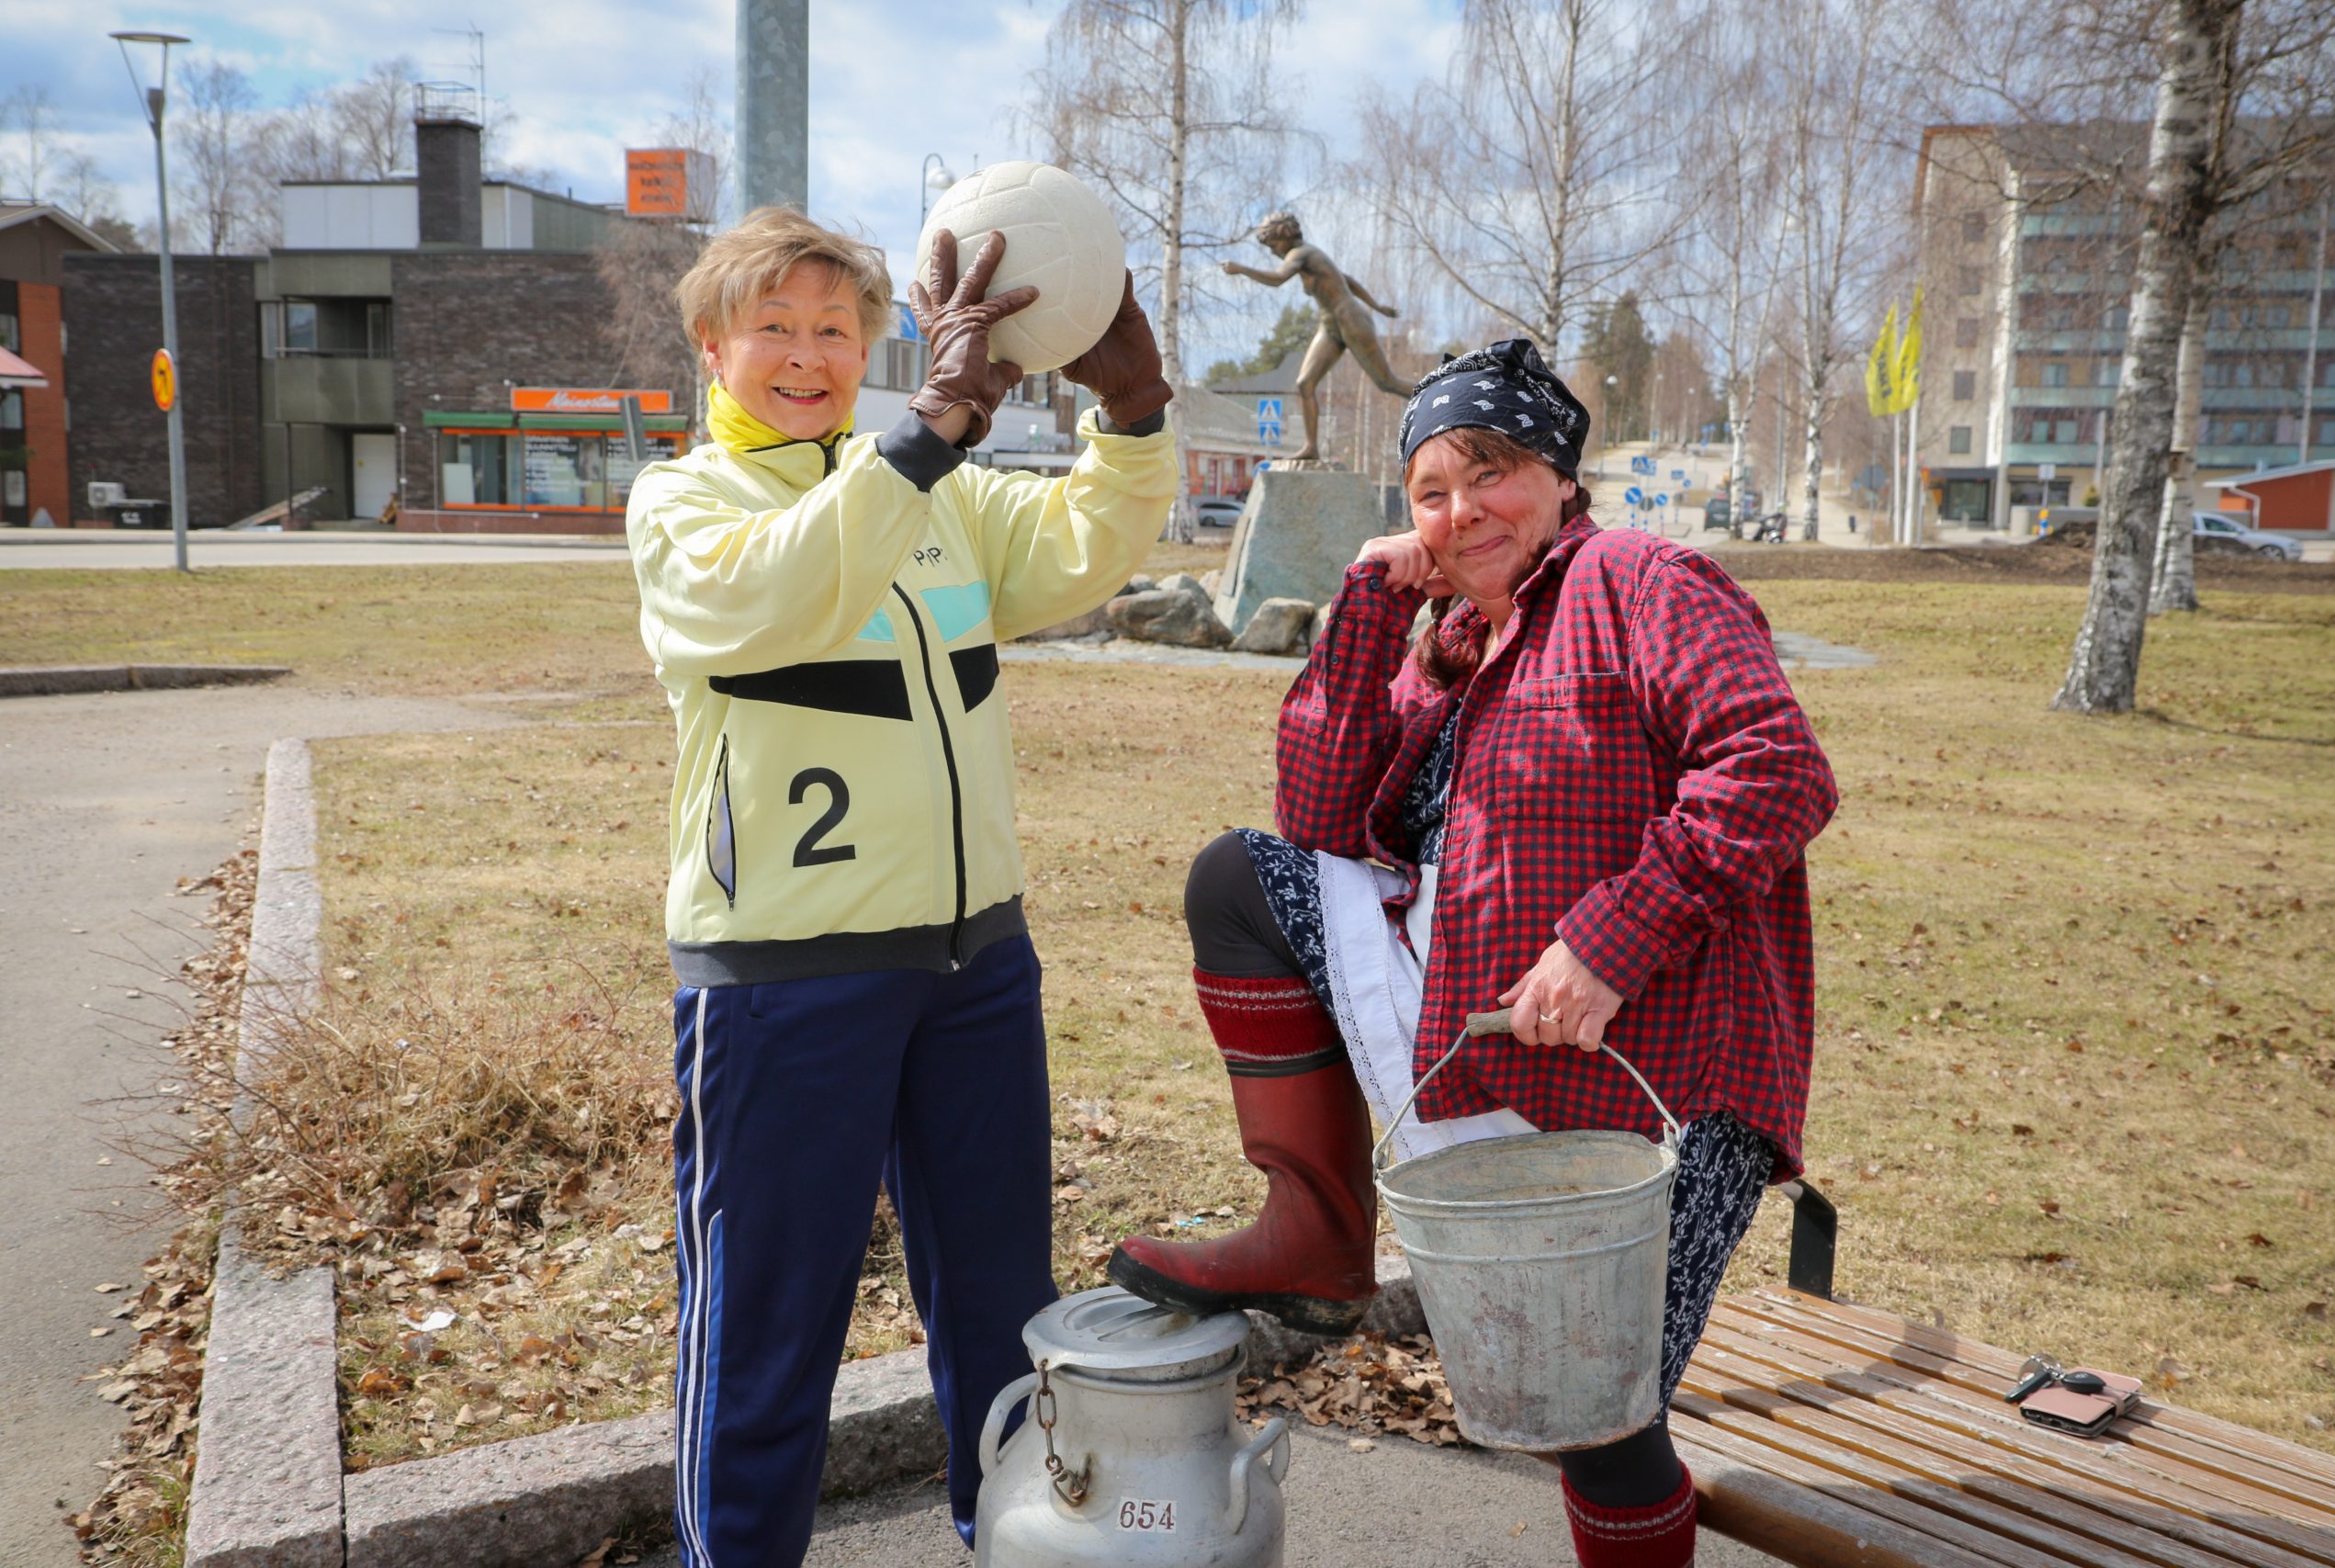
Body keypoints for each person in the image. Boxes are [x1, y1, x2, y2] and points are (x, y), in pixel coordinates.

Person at [1109, 339, 1836, 1568]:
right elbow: (1322, 822)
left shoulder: (1637, 578)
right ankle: (1317, 1226)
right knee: (1240, 878)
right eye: (1430, 491)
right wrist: (1373, 609)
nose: (1458, 511)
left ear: (1558, 477)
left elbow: (1774, 768)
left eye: (1488, 474)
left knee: (1596, 1412)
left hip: (1668, 1071)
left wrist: (1609, 941)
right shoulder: (1455, 642)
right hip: (1497, 1033)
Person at [626, 207, 1177, 1566]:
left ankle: (1011, 1541)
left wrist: (1137, 413)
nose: (808, 354)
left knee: (1001, 1314)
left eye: (836, 328)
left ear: (870, 342)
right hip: (783, 984)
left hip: (975, 970)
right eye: (776, 326)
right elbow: (785, 589)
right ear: (713, 345)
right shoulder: (685, 501)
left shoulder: (939, 492)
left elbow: (1079, 547)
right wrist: (926, 435)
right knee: (767, 1329)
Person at [1221, 211, 1413, 461]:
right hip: (1330, 323)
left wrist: (1241, 269)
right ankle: (1311, 448)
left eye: (1273, 244)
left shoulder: (1301, 254)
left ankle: (1438, 392)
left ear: (1286, 236)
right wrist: (1377, 306)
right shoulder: (1310, 257)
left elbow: (1278, 279)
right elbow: (1346, 280)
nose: (1272, 251)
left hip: (1351, 319)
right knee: (1305, 384)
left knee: (1386, 382)